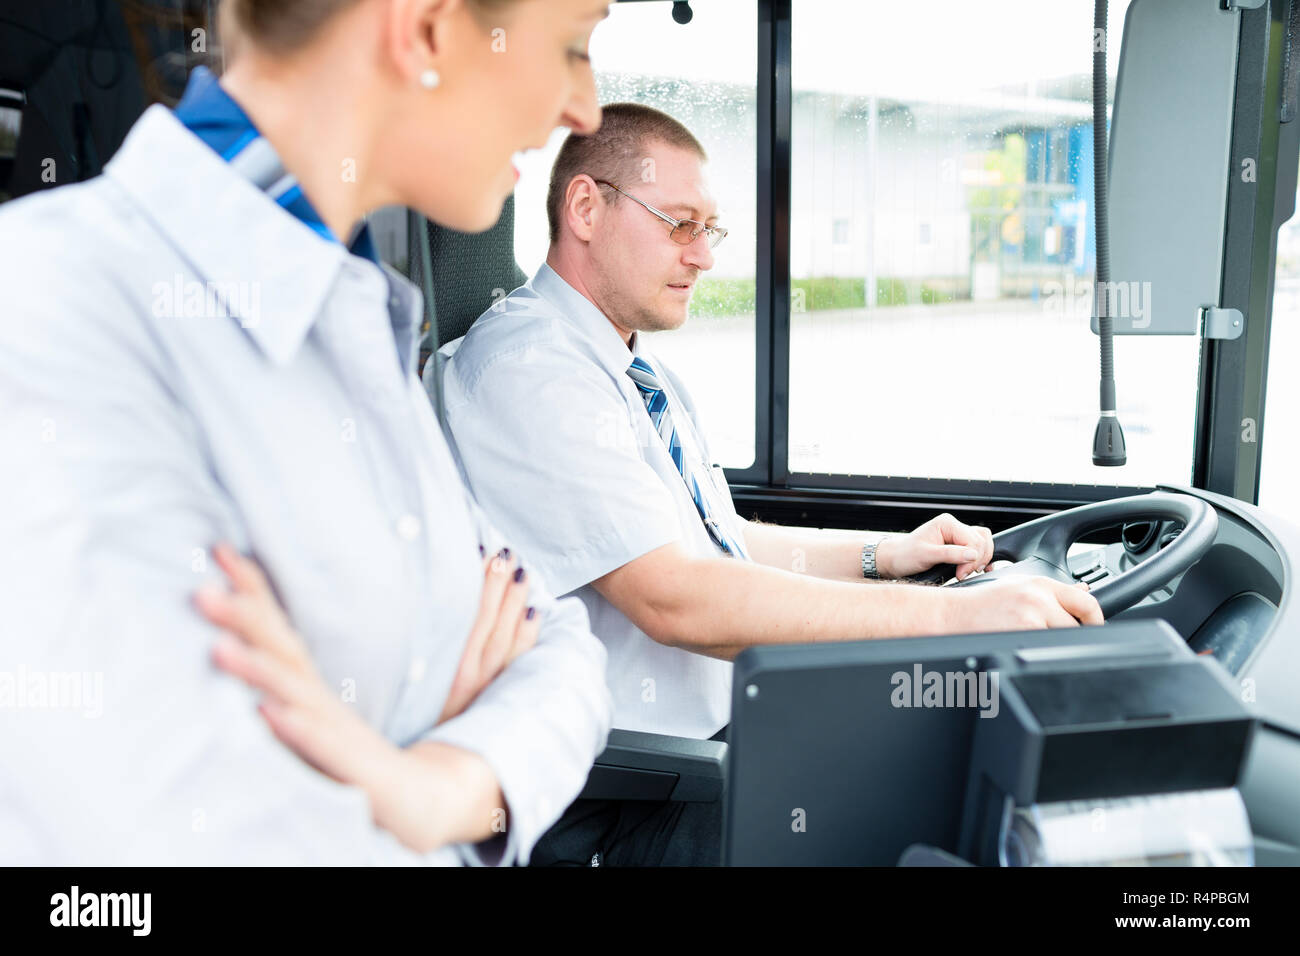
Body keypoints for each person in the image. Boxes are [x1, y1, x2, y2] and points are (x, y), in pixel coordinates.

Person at [0, 0, 616, 865]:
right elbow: (162, 844)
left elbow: (560, 647)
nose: (583, 109)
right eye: (573, 48)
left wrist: (436, 780)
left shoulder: (352, 307)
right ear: (426, 28)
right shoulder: (49, 301)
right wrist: (430, 770)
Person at [439, 102, 1103, 865]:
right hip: (646, 788)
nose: (704, 256)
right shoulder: (531, 372)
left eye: (709, 230)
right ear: (585, 208)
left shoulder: (632, 371)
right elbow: (674, 595)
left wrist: (886, 555)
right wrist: (957, 618)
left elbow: (723, 539)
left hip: (725, 732)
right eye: (679, 223)